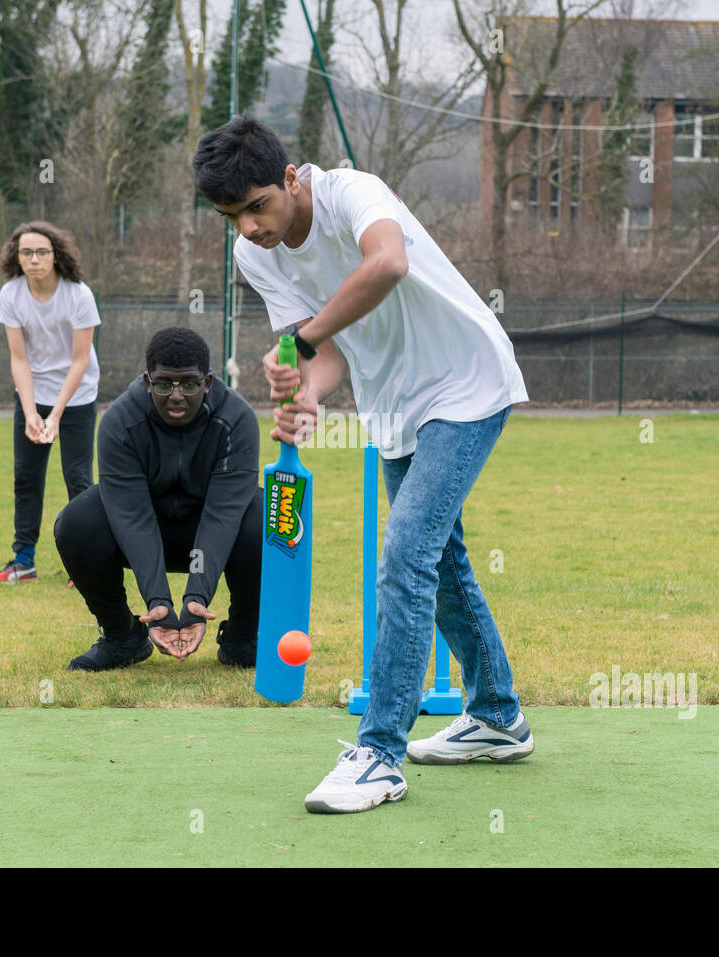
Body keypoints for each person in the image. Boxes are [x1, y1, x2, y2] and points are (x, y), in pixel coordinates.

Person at [193, 115, 533, 814]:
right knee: (440, 564)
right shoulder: (256, 258)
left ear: (291, 179)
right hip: (398, 405)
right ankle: (498, 714)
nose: (249, 227)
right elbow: (326, 356)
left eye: (257, 205)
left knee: (406, 556)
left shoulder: (353, 192)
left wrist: (307, 339)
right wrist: (308, 395)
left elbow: (387, 264)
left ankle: (380, 751)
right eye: (232, 216)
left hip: (467, 382)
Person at [53, 327, 262, 671]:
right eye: (165, 384)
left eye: (190, 384)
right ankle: (123, 638)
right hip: (143, 533)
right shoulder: (119, 421)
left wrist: (196, 599)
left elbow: (222, 516)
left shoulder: (237, 419)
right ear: (148, 381)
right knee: (76, 523)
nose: (176, 395)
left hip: (210, 534)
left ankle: (241, 639)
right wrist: (160, 605)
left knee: (267, 522)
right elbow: (132, 517)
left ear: (208, 382)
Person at [0, 221, 100, 586]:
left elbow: (80, 360)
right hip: (33, 394)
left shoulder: (79, 295)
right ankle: (23, 562)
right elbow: (19, 359)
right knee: (26, 477)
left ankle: (85, 564)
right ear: (17, 258)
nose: (34, 260)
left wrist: (57, 415)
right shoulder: (11, 295)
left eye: (42, 252)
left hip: (77, 395)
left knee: (78, 479)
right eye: (26, 253)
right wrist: (32, 412)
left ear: (56, 255)